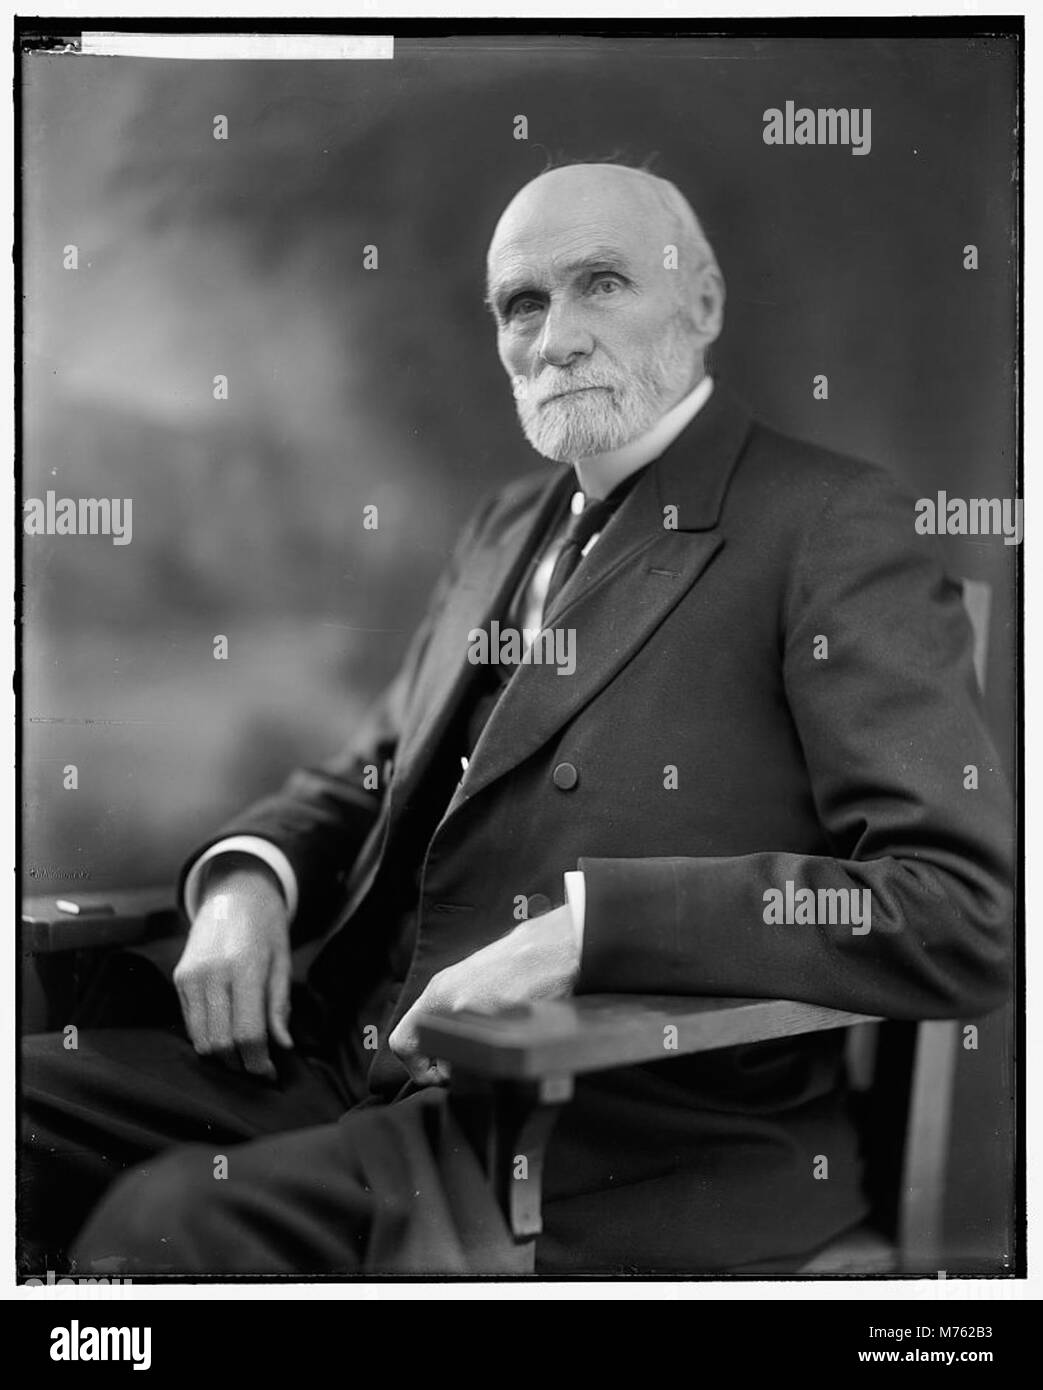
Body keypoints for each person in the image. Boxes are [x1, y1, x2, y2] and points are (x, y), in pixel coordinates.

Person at [21, 162, 1012, 1277]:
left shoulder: (827, 525)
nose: (556, 338)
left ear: (703, 303)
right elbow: (375, 768)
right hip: (348, 1059)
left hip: (592, 1130)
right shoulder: (503, 524)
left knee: (169, 1227)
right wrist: (250, 879)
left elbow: (957, 912)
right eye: (522, 305)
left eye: (600, 283)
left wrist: (586, 932)